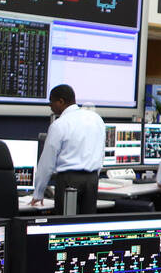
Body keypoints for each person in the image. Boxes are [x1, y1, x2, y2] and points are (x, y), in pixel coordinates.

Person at [31, 84, 105, 214]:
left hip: (69, 180)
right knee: (88, 223)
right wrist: (93, 176)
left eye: (51, 102)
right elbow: (100, 152)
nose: (50, 106)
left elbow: (47, 162)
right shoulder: (96, 119)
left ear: (61, 101)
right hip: (92, 180)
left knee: (65, 222)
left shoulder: (60, 124)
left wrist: (38, 192)